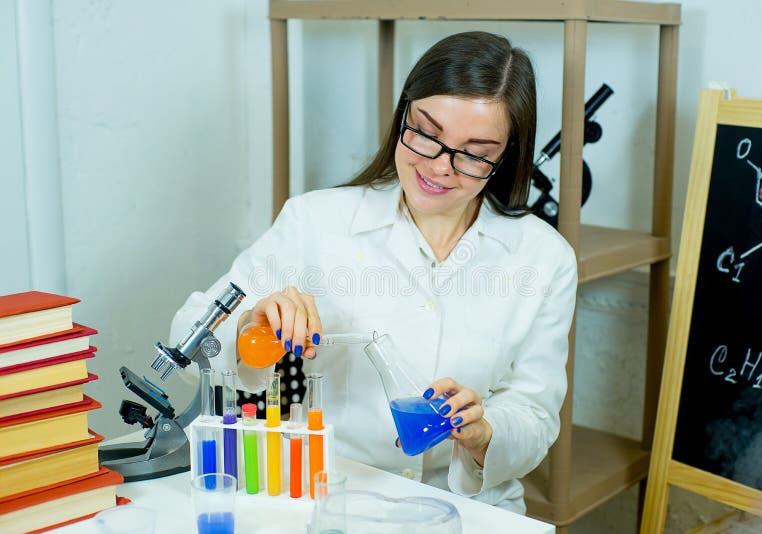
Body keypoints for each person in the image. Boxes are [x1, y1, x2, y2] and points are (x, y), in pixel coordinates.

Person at [170, 30, 577, 513]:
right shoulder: (316, 222)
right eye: (426, 132)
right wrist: (248, 326)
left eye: (473, 153)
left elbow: (534, 412)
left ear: (505, 155)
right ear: (403, 114)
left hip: (471, 511)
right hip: (334, 497)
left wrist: (485, 432)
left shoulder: (543, 258)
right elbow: (185, 336)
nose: (440, 166)